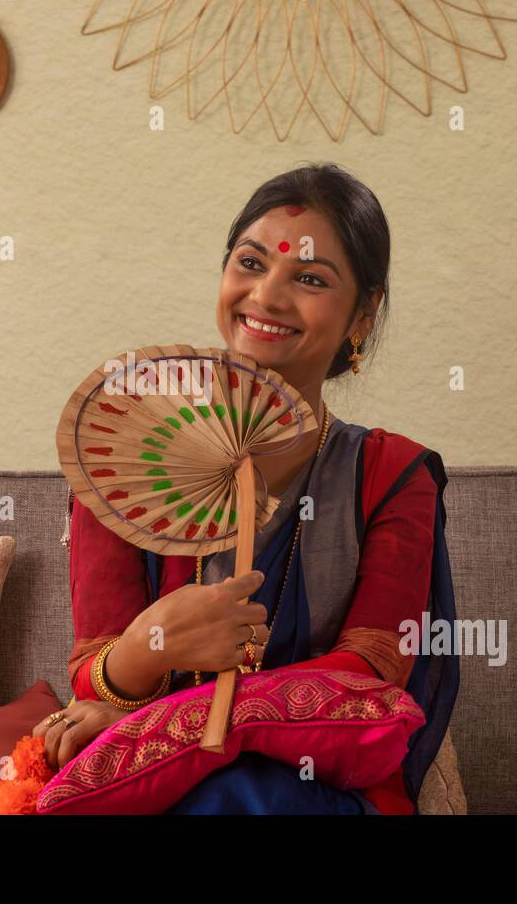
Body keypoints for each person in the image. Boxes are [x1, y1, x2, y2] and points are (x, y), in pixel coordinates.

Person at [34, 163, 460, 814]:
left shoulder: (392, 474)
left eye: (310, 279)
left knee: (243, 794)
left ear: (362, 316)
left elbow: (374, 671)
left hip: (315, 786)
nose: (265, 297)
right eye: (250, 263)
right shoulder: (121, 451)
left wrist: (167, 721)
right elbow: (93, 670)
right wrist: (155, 641)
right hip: (144, 777)